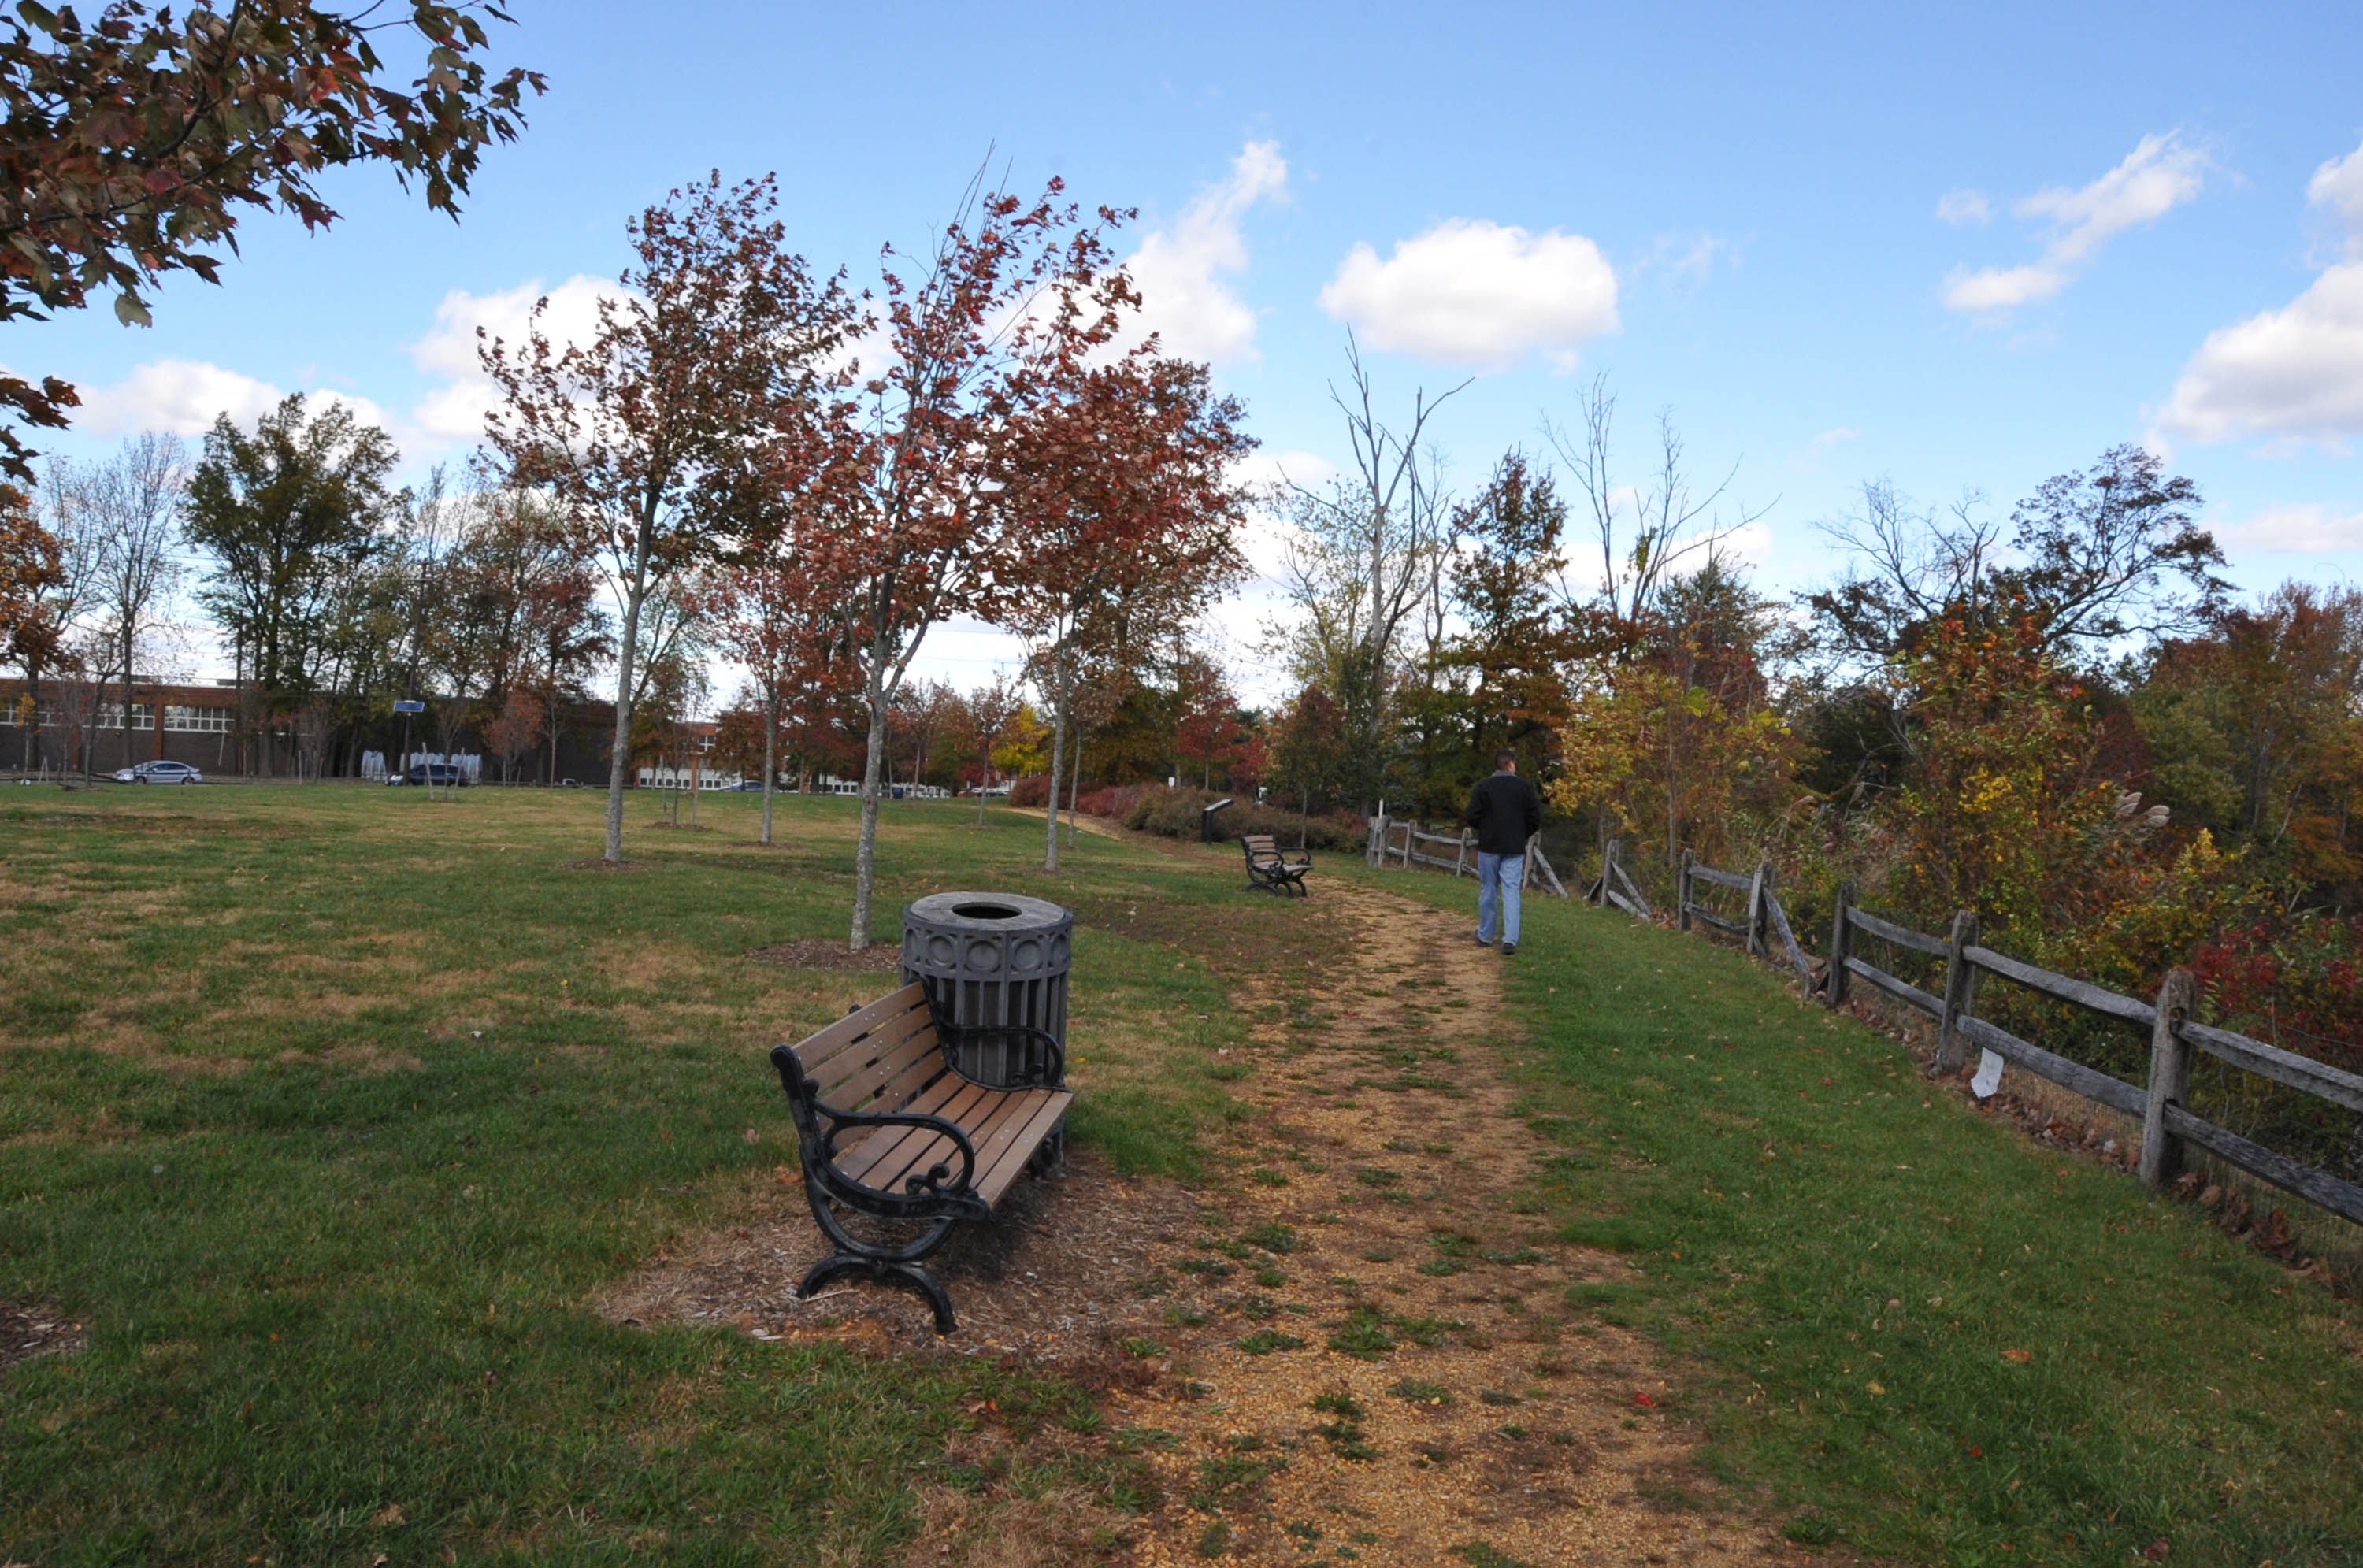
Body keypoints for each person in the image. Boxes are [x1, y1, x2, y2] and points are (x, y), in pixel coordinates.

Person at [1463, 748, 1541, 954]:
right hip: (1514, 846)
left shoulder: (1484, 787)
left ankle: (1486, 935)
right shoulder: (1524, 788)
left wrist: (1486, 828)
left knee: (1488, 889)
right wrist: (1521, 833)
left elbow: (1472, 815)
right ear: (1510, 764)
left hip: (1489, 846)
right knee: (1511, 891)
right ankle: (1510, 939)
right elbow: (1535, 817)